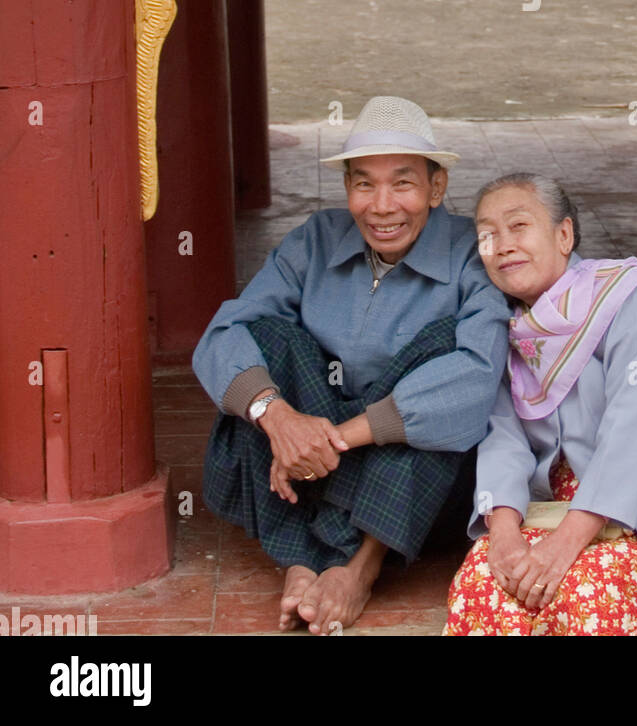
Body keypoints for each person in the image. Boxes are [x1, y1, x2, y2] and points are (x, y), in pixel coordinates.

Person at [192, 96, 510, 634]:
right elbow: (225, 333)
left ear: (437, 188)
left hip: (408, 474)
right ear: (347, 190)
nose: (382, 206)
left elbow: (478, 376)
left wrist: (331, 438)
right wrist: (280, 420)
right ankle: (300, 562)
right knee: (264, 340)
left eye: (403, 183)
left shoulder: (469, 254)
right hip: (311, 457)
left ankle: (359, 567)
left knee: (441, 355)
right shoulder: (315, 239)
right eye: (364, 183)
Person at [444, 172, 637, 636]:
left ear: (563, 234)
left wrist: (563, 546)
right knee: (482, 584)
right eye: (488, 235)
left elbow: (633, 430)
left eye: (519, 226)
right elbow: (501, 435)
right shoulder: (504, 324)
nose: (503, 245)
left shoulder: (631, 298)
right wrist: (502, 536)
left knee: (582, 595)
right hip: (556, 512)